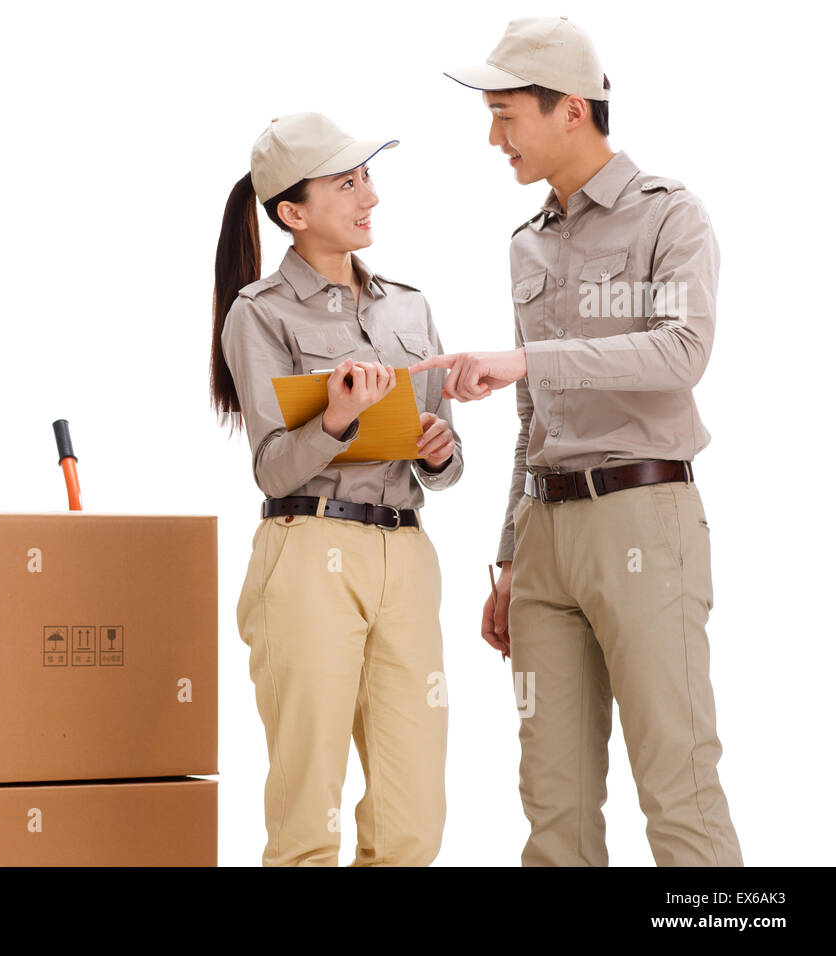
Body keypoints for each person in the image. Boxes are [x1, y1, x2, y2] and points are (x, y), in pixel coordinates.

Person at [412, 17, 743, 866]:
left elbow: (684, 351)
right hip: (546, 537)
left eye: (506, 114)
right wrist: (513, 554)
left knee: (679, 786)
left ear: (571, 111)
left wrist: (525, 357)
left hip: (643, 517)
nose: (494, 138)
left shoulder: (671, 216)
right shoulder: (528, 243)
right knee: (552, 806)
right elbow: (535, 417)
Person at [210, 112, 463, 866]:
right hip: (307, 544)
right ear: (293, 213)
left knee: (413, 815)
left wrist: (443, 451)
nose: (370, 197)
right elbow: (273, 468)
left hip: (406, 556)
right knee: (308, 811)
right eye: (347, 183)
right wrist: (341, 420)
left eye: (368, 178)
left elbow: (444, 462)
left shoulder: (410, 307)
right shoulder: (259, 314)